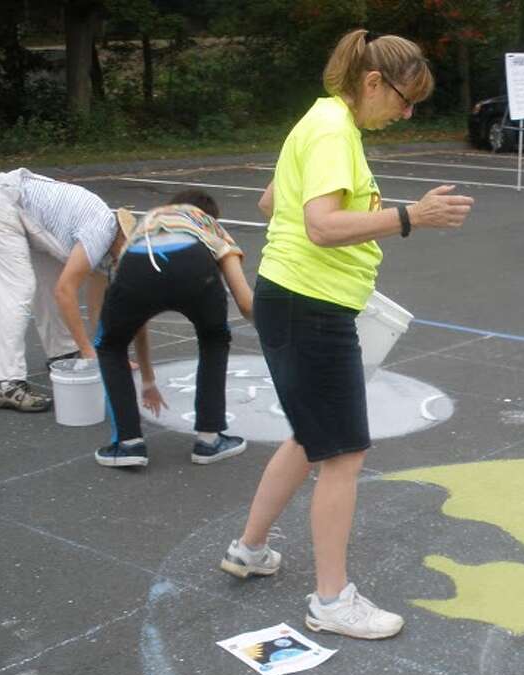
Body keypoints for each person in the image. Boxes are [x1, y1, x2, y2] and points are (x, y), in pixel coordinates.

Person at [220, 29, 473, 640]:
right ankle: (331, 601)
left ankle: (250, 550)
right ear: (371, 83)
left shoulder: (319, 122)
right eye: (404, 99)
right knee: (343, 453)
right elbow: (323, 226)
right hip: (311, 305)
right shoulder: (335, 131)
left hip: (293, 298)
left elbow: (268, 202)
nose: (408, 113)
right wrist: (412, 216)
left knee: (313, 438)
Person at [93, 190, 254, 468]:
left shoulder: (148, 222)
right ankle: (209, 439)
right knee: (214, 338)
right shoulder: (207, 224)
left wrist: (148, 380)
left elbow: (136, 323)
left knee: (111, 345)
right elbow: (244, 301)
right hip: (194, 265)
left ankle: (128, 443)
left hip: (135, 266)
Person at [0, 168, 133, 412]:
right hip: (2, 204)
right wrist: (89, 352)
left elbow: (96, 306)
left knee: (50, 282)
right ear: (123, 239)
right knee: (16, 290)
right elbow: (66, 293)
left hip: (32, 218)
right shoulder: (100, 233)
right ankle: (6, 383)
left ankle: (63, 355)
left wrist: (109, 353)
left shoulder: (107, 253)